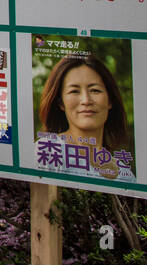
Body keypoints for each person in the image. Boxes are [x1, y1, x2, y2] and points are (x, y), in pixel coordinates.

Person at [37, 53, 134, 181]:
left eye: (95, 90)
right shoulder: (48, 151)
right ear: (61, 103)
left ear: (110, 100)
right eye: (74, 91)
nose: (86, 100)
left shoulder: (125, 174)